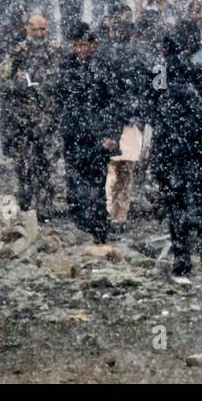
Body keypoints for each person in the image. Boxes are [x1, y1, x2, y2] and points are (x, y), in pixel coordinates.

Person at [150, 25, 202, 276]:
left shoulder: (160, 71)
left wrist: (168, 131)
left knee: (176, 202)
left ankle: (182, 257)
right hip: (198, 147)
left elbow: (151, 105)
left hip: (170, 148)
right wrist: (197, 128)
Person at [0, 13, 63, 218]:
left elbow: (62, 80)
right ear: (27, 30)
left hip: (47, 119)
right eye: (35, 29)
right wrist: (18, 85)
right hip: (21, 120)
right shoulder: (17, 53)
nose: (39, 34)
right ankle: (24, 205)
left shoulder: (55, 52)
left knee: (46, 166)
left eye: (42, 29)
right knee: (23, 166)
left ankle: (44, 209)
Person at [55, 22, 119, 241]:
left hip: (97, 136)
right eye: (75, 45)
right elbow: (60, 97)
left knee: (95, 185)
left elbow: (113, 103)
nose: (78, 49)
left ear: (92, 45)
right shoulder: (66, 66)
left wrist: (110, 133)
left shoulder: (104, 67)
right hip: (72, 134)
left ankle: (98, 229)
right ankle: (80, 226)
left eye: (82, 45)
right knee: (74, 183)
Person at [99, 14, 156, 227]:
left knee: (110, 167)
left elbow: (97, 87)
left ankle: (106, 209)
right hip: (134, 120)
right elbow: (159, 81)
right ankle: (120, 212)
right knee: (126, 169)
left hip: (109, 118)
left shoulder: (104, 56)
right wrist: (150, 102)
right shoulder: (145, 57)